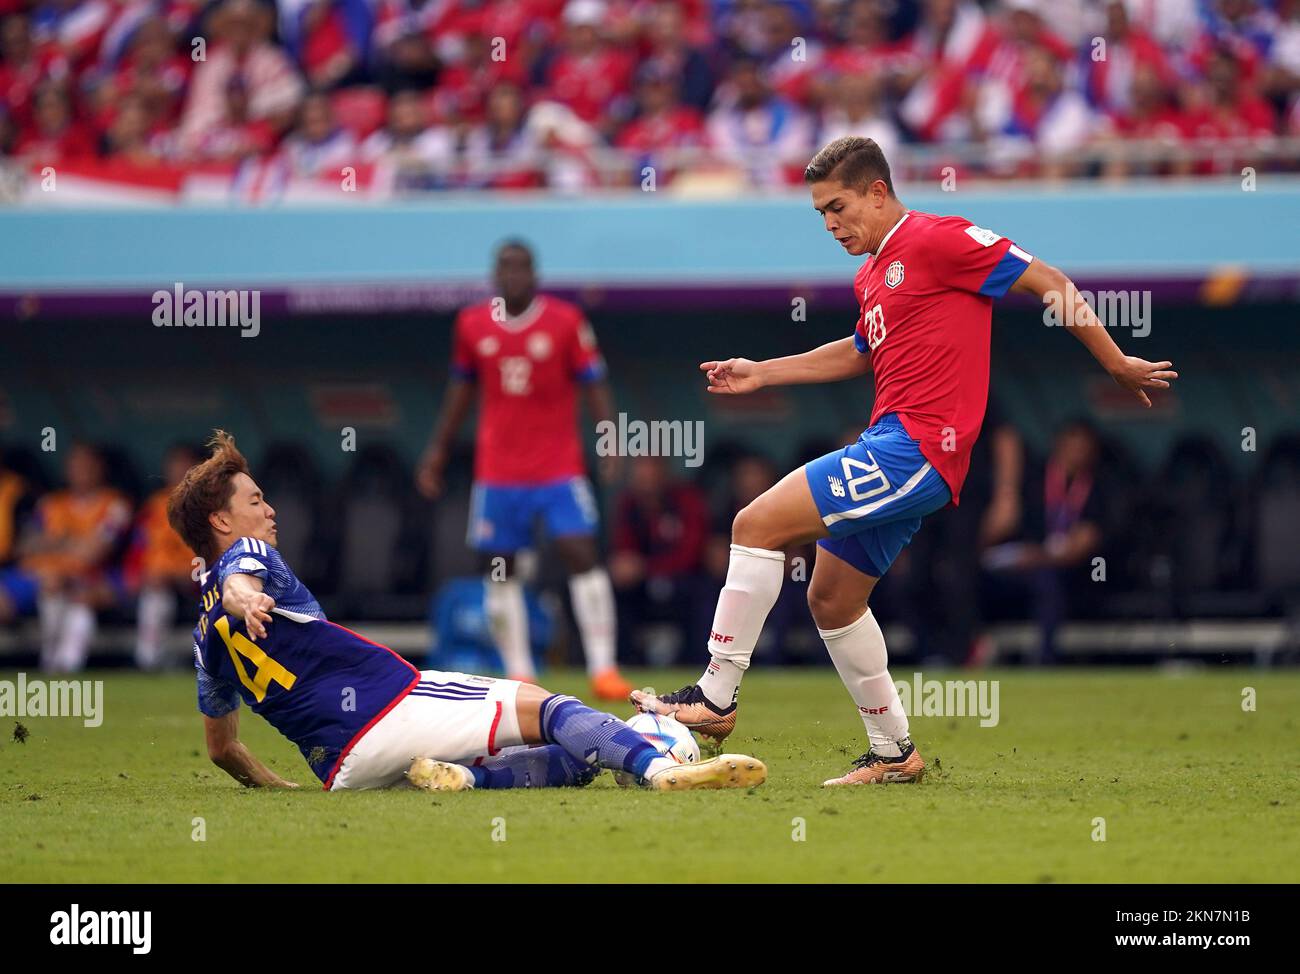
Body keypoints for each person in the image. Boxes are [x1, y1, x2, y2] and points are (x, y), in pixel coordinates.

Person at [633, 135, 1178, 786]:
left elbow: (1046, 279)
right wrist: (764, 372)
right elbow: (860, 351)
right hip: (891, 446)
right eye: (820, 215)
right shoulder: (872, 274)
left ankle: (715, 697)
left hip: (918, 448)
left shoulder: (941, 240)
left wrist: (1114, 361)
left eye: (838, 207)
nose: (831, 225)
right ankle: (895, 753)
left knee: (754, 525)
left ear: (878, 191)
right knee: (832, 599)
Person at [172, 430, 765, 793]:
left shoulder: (204, 639)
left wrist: (281, 787)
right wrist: (247, 596)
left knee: (563, 753)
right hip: (389, 708)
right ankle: (662, 772)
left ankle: (471, 778)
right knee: (550, 705)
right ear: (221, 522)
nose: (271, 510)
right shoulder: (246, 559)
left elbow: (223, 749)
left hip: (341, 770)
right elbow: (238, 583)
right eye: (255, 500)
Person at [416, 240, 632, 701]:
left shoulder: (566, 321)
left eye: (521, 268)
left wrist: (610, 437)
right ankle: (519, 671)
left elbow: (594, 384)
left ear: (535, 274)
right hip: (498, 471)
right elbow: (461, 391)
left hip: (559, 466)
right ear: (495, 275)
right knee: (500, 567)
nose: (513, 276)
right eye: (505, 268)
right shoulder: (472, 324)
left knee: (581, 552)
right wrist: (438, 449)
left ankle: (604, 669)